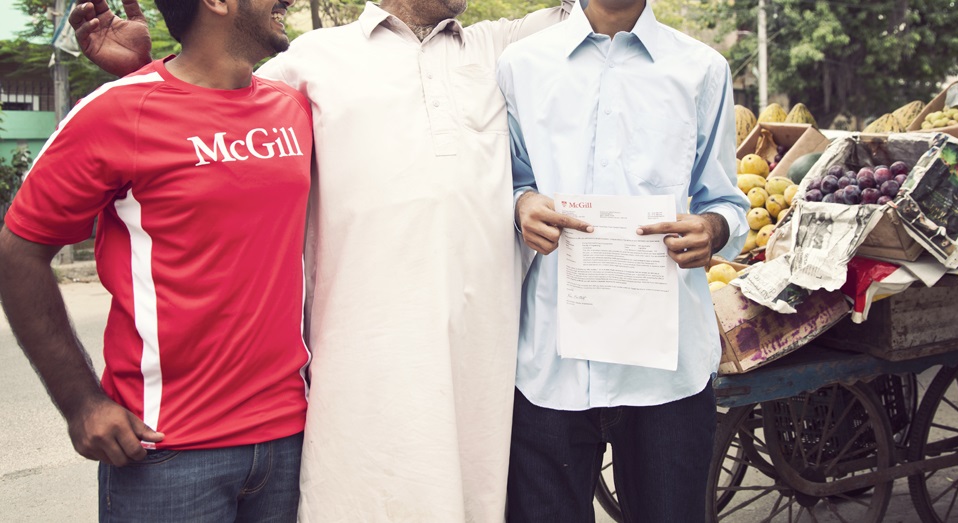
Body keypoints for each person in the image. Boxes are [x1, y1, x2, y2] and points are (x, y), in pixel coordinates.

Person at [69, 0, 591, 520]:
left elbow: (597, 14)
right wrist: (144, 71)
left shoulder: (502, 47)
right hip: (358, 380)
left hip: (481, 381)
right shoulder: (310, 60)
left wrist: (522, 197)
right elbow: (211, 103)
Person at [0, 0, 313, 521]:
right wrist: (81, 402)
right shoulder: (116, 111)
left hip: (291, 439)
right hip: (167, 451)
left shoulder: (295, 108)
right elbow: (18, 252)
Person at [495, 0, 749, 518]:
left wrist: (713, 228)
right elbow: (505, 179)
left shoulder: (701, 69)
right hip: (550, 367)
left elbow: (725, 200)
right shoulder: (520, 66)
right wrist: (521, 204)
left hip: (666, 374)